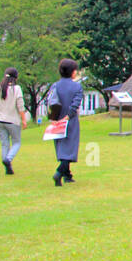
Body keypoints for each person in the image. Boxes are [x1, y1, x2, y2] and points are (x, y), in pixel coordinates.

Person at [48, 58, 83, 187]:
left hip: (57, 120)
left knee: (62, 147)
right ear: (73, 72)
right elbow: (75, 104)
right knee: (70, 148)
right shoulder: (77, 86)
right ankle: (59, 172)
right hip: (70, 120)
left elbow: (51, 102)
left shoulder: (55, 85)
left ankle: (67, 175)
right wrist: (68, 117)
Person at [0, 66, 28, 175]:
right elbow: (20, 106)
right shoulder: (16, 89)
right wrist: (24, 120)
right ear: (15, 77)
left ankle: (6, 163)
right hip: (13, 121)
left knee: (4, 144)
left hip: (0, 120)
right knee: (16, 142)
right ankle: (8, 159)